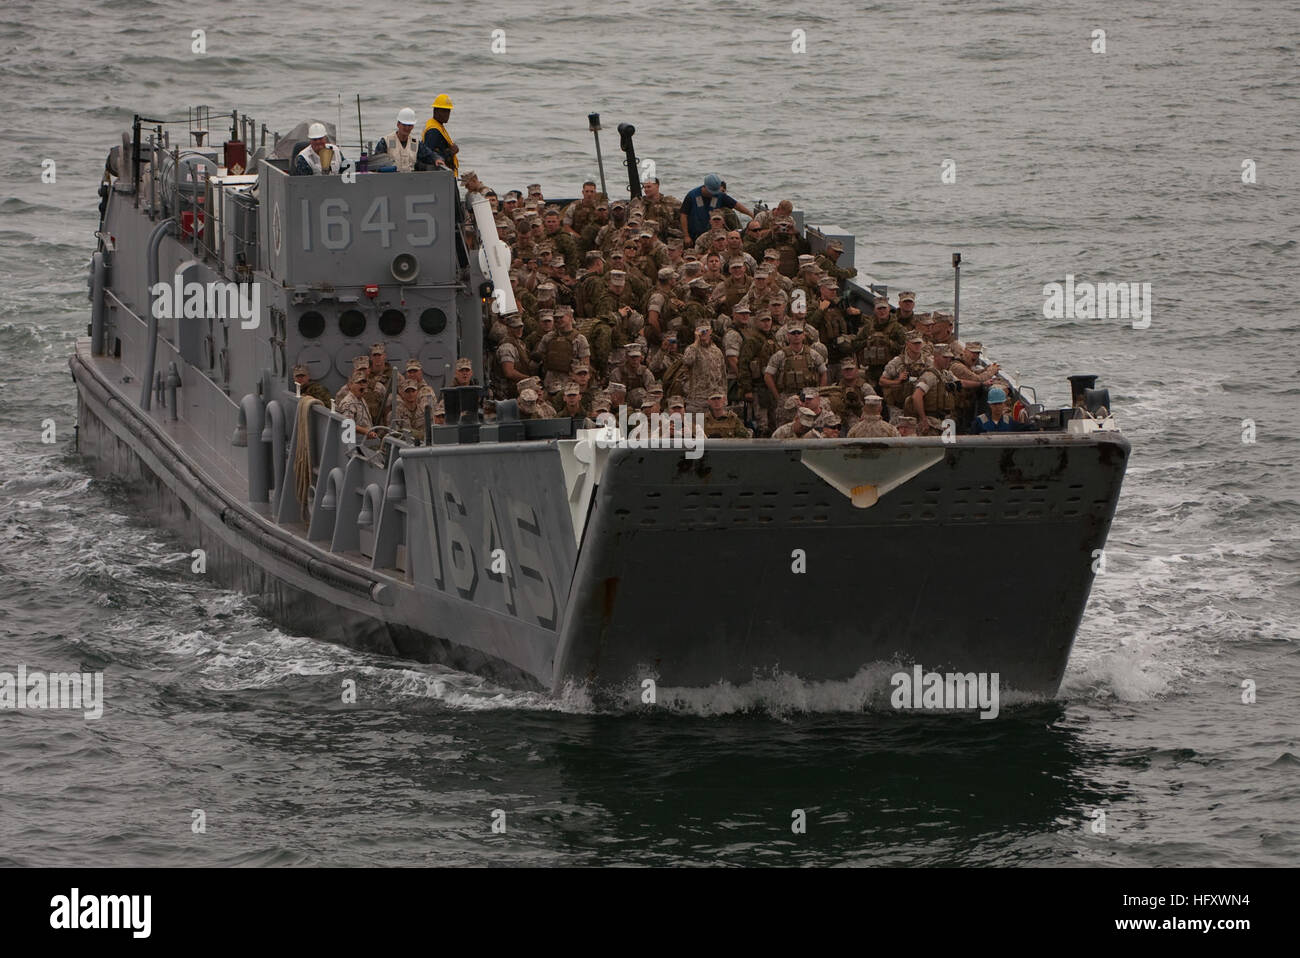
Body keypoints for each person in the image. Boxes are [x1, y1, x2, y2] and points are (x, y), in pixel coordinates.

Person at [679, 173, 753, 243]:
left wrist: (750, 214)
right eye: (711, 192)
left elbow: (736, 205)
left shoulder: (720, 195)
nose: (713, 194)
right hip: (694, 234)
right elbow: (683, 215)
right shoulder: (692, 196)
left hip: (714, 236)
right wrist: (686, 235)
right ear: (705, 187)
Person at [372, 108, 437, 172]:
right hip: (390, 179)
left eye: (409, 125)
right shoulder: (386, 142)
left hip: (411, 180)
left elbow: (429, 155)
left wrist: (436, 159)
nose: (407, 128)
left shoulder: (415, 143)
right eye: (404, 125)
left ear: (413, 126)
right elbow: (377, 164)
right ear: (398, 124)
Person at [681, 323, 726, 413]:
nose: (703, 333)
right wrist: (696, 342)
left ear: (710, 331)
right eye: (701, 331)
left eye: (706, 330)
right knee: (696, 426)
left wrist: (724, 397)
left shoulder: (717, 351)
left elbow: (723, 375)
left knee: (716, 425)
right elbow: (687, 361)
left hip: (715, 398)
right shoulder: (692, 349)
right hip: (697, 400)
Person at [422, 94, 459, 173]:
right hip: (441, 176)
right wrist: (451, 152)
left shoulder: (438, 126)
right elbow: (429, 157)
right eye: (444, 111)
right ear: (436, 111)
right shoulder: (433, 131)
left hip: (444, 174)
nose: (447, 114)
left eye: (448, 111)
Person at [336, 371, 377, 437]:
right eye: (358, 382)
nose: (362, 385)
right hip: (356, 443)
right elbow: (349, 424)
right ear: (350, 385)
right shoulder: (348, 403)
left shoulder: (361, 399)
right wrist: (367, 432)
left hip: (365, 440)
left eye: (364, 382)